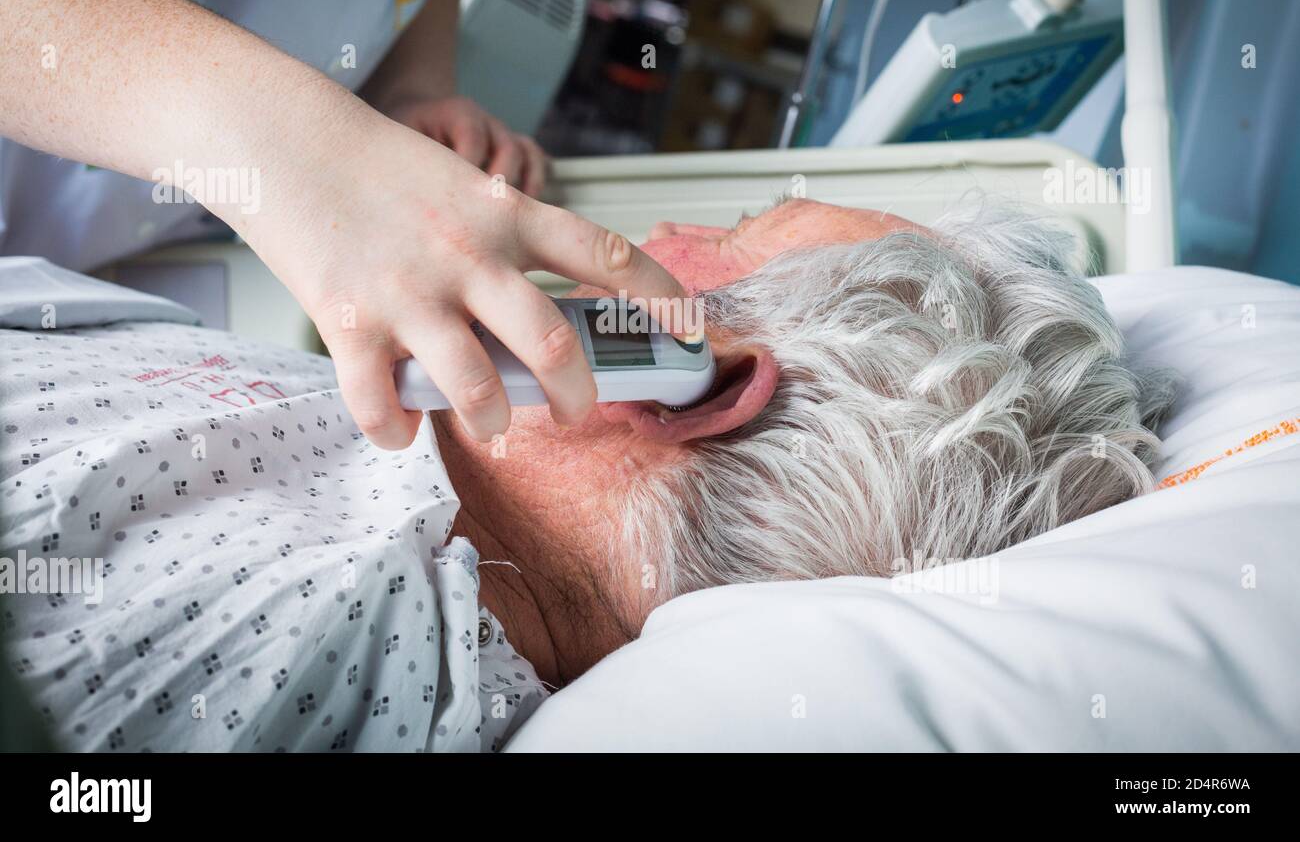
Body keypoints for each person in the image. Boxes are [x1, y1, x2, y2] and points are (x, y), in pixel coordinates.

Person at [0, 198, 1174, 750]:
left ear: (698, 380)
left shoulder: (294, 631)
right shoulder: (385, 448)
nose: (656, 226)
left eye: (723, 232)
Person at [0, 0, 691, 453]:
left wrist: (414, 106)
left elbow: (415, 17)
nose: (675, 228)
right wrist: (303, 153)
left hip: (108, 273)